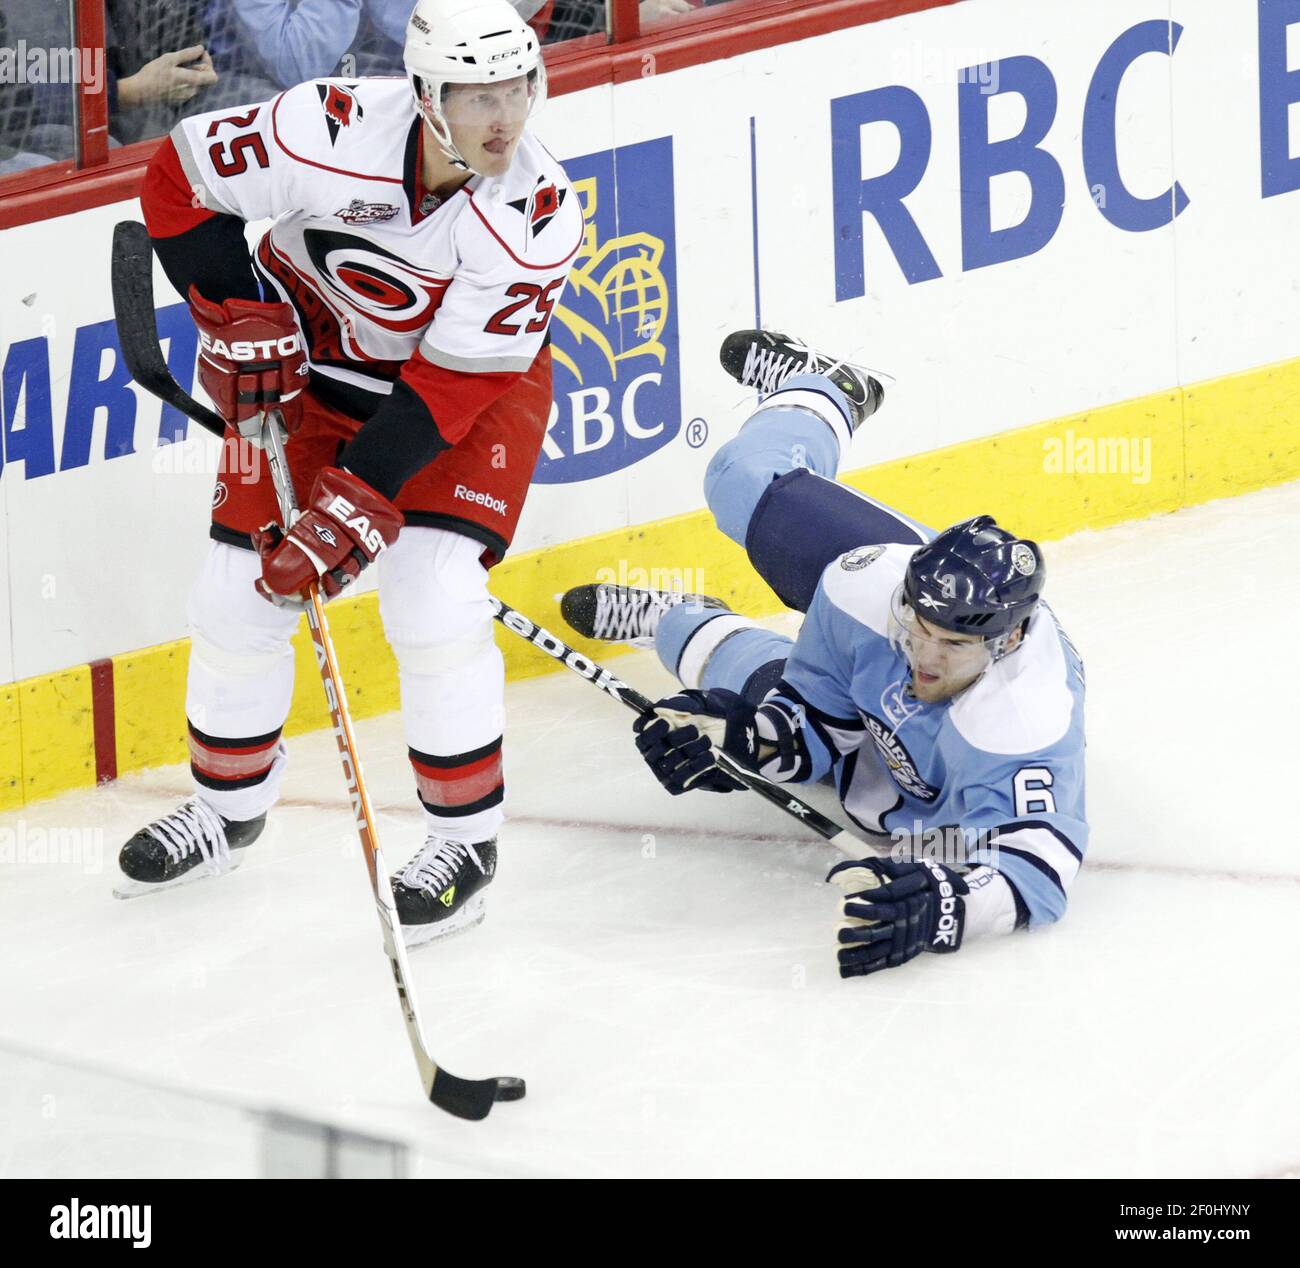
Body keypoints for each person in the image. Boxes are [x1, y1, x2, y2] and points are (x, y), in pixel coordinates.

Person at [118, 0, 583, 949]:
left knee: (433, 593)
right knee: (236, 595)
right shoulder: (323, 128)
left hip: (463, 401)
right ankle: (226, 810)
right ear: (424, 94)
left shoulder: (534, 212)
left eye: (517, 89)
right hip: (309, 375)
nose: (505, 117)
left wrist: (354, 505)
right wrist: (232, 305)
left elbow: (447, 389)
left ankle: (464, 842)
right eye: (477, 94)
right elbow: (176, 181)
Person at [561, 330, 1088, 978]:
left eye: (952, 643)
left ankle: (673, 619)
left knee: (756, 681)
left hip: (910, 789)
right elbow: (812, 705)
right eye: (918, 626)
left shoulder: (1020, 719)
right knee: (745, 483)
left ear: (1004, 643)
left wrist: (734, 740)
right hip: (905, 679)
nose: (923, 653)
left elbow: (1039, 867)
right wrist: (736, 732)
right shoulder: (870, 590)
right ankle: (825, 387)